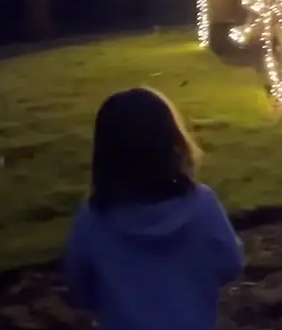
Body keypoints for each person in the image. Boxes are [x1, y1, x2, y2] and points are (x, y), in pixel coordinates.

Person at [63, 87, 244, 330]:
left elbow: (79, 291)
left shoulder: (93, 220)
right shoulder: (202, 204)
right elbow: (231, 264)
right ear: (173, 143)